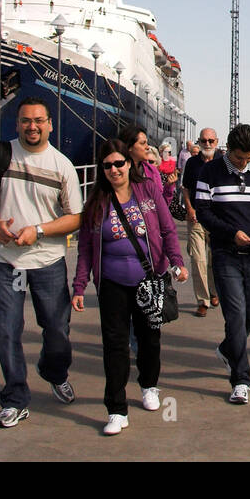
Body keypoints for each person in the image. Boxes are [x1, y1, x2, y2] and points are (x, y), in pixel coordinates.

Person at [0, 96, 82, 429]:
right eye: (25, 121)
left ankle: (54, 371)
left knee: (57, 330)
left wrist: (40, 230)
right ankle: (15, 398)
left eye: (38, 121)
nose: (32, 126)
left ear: (49, 124)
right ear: (17, 124)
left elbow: (75, 217)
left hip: (47, 260)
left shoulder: (62, 166)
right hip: (6, 261)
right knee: (7, 330)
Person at [72, 139, 188, 435]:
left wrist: (176, 261)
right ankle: (116, 408)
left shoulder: (148, 190)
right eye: (107, 165)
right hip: (111, 282)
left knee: (150, 338)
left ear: (128, 163)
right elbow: (85, 246)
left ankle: (149, 385)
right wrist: (79, 285)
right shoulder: (96, 200)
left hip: (148, 278)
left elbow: (167, 228)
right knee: (114, 345)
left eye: (119, 163)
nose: (114, 170)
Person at [195, 123, 250, 404]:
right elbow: (203, 212)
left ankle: (228, 349)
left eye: (249, 158)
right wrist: (231, 233)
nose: (244, 164)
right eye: (240, 158)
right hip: (226, 255)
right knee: (236, 316)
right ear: (229, 150)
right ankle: (241, 380)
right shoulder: (210, 173)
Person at [182, 128, 221, 316]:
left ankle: (214, 291)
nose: (207, 144)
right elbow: (186, 189)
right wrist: (189, 209)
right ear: (199, 141)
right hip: (197, 217)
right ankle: (203, 300)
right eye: (204, 141)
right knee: (198, 259)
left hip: (217, 219)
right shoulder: (192, 163)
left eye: (211, 141)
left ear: (216, 141)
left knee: (215, 259)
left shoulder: (223, 162)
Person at [121, 125, 163, 197]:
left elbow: (161, 202)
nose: (147, 147)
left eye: (147, 143)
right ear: (129, 147)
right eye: (143, 143)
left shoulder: (152, 171)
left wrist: (169, 188)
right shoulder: (117, 171)